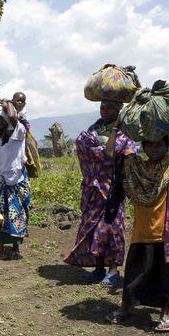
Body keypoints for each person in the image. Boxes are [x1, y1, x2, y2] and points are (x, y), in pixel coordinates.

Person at [107, 109, 169, 332]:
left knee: (163, 277)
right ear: (143, 148)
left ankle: (164, 314)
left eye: (159, 145)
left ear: (167, 146)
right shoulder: (135, 167)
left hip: (165, 232)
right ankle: (126, 308)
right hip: (140, 232)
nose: (155, 149)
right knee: (133, 273)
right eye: (150, 146)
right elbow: (110, 154)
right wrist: (116, 127)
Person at [65, 100, 137, 286]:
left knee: (112, 228)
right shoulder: (93, 129)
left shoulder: (125, 132)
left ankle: (113, 270)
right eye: (102, 107)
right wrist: (101, 149)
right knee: (93, 228)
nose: (104, 111)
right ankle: (98, 269)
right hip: (94, 188)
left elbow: (113, 155)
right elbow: (84, 147)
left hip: (114, 189)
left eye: (109, 108)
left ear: (118, 110)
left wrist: (106, 142)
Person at [0, 100, 31, 260]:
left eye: (1, 118)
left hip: (18, 181)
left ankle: (16, 248)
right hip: (3, 180)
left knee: (17, 215)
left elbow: (12, 116)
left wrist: (7, 103)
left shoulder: (19, 131)